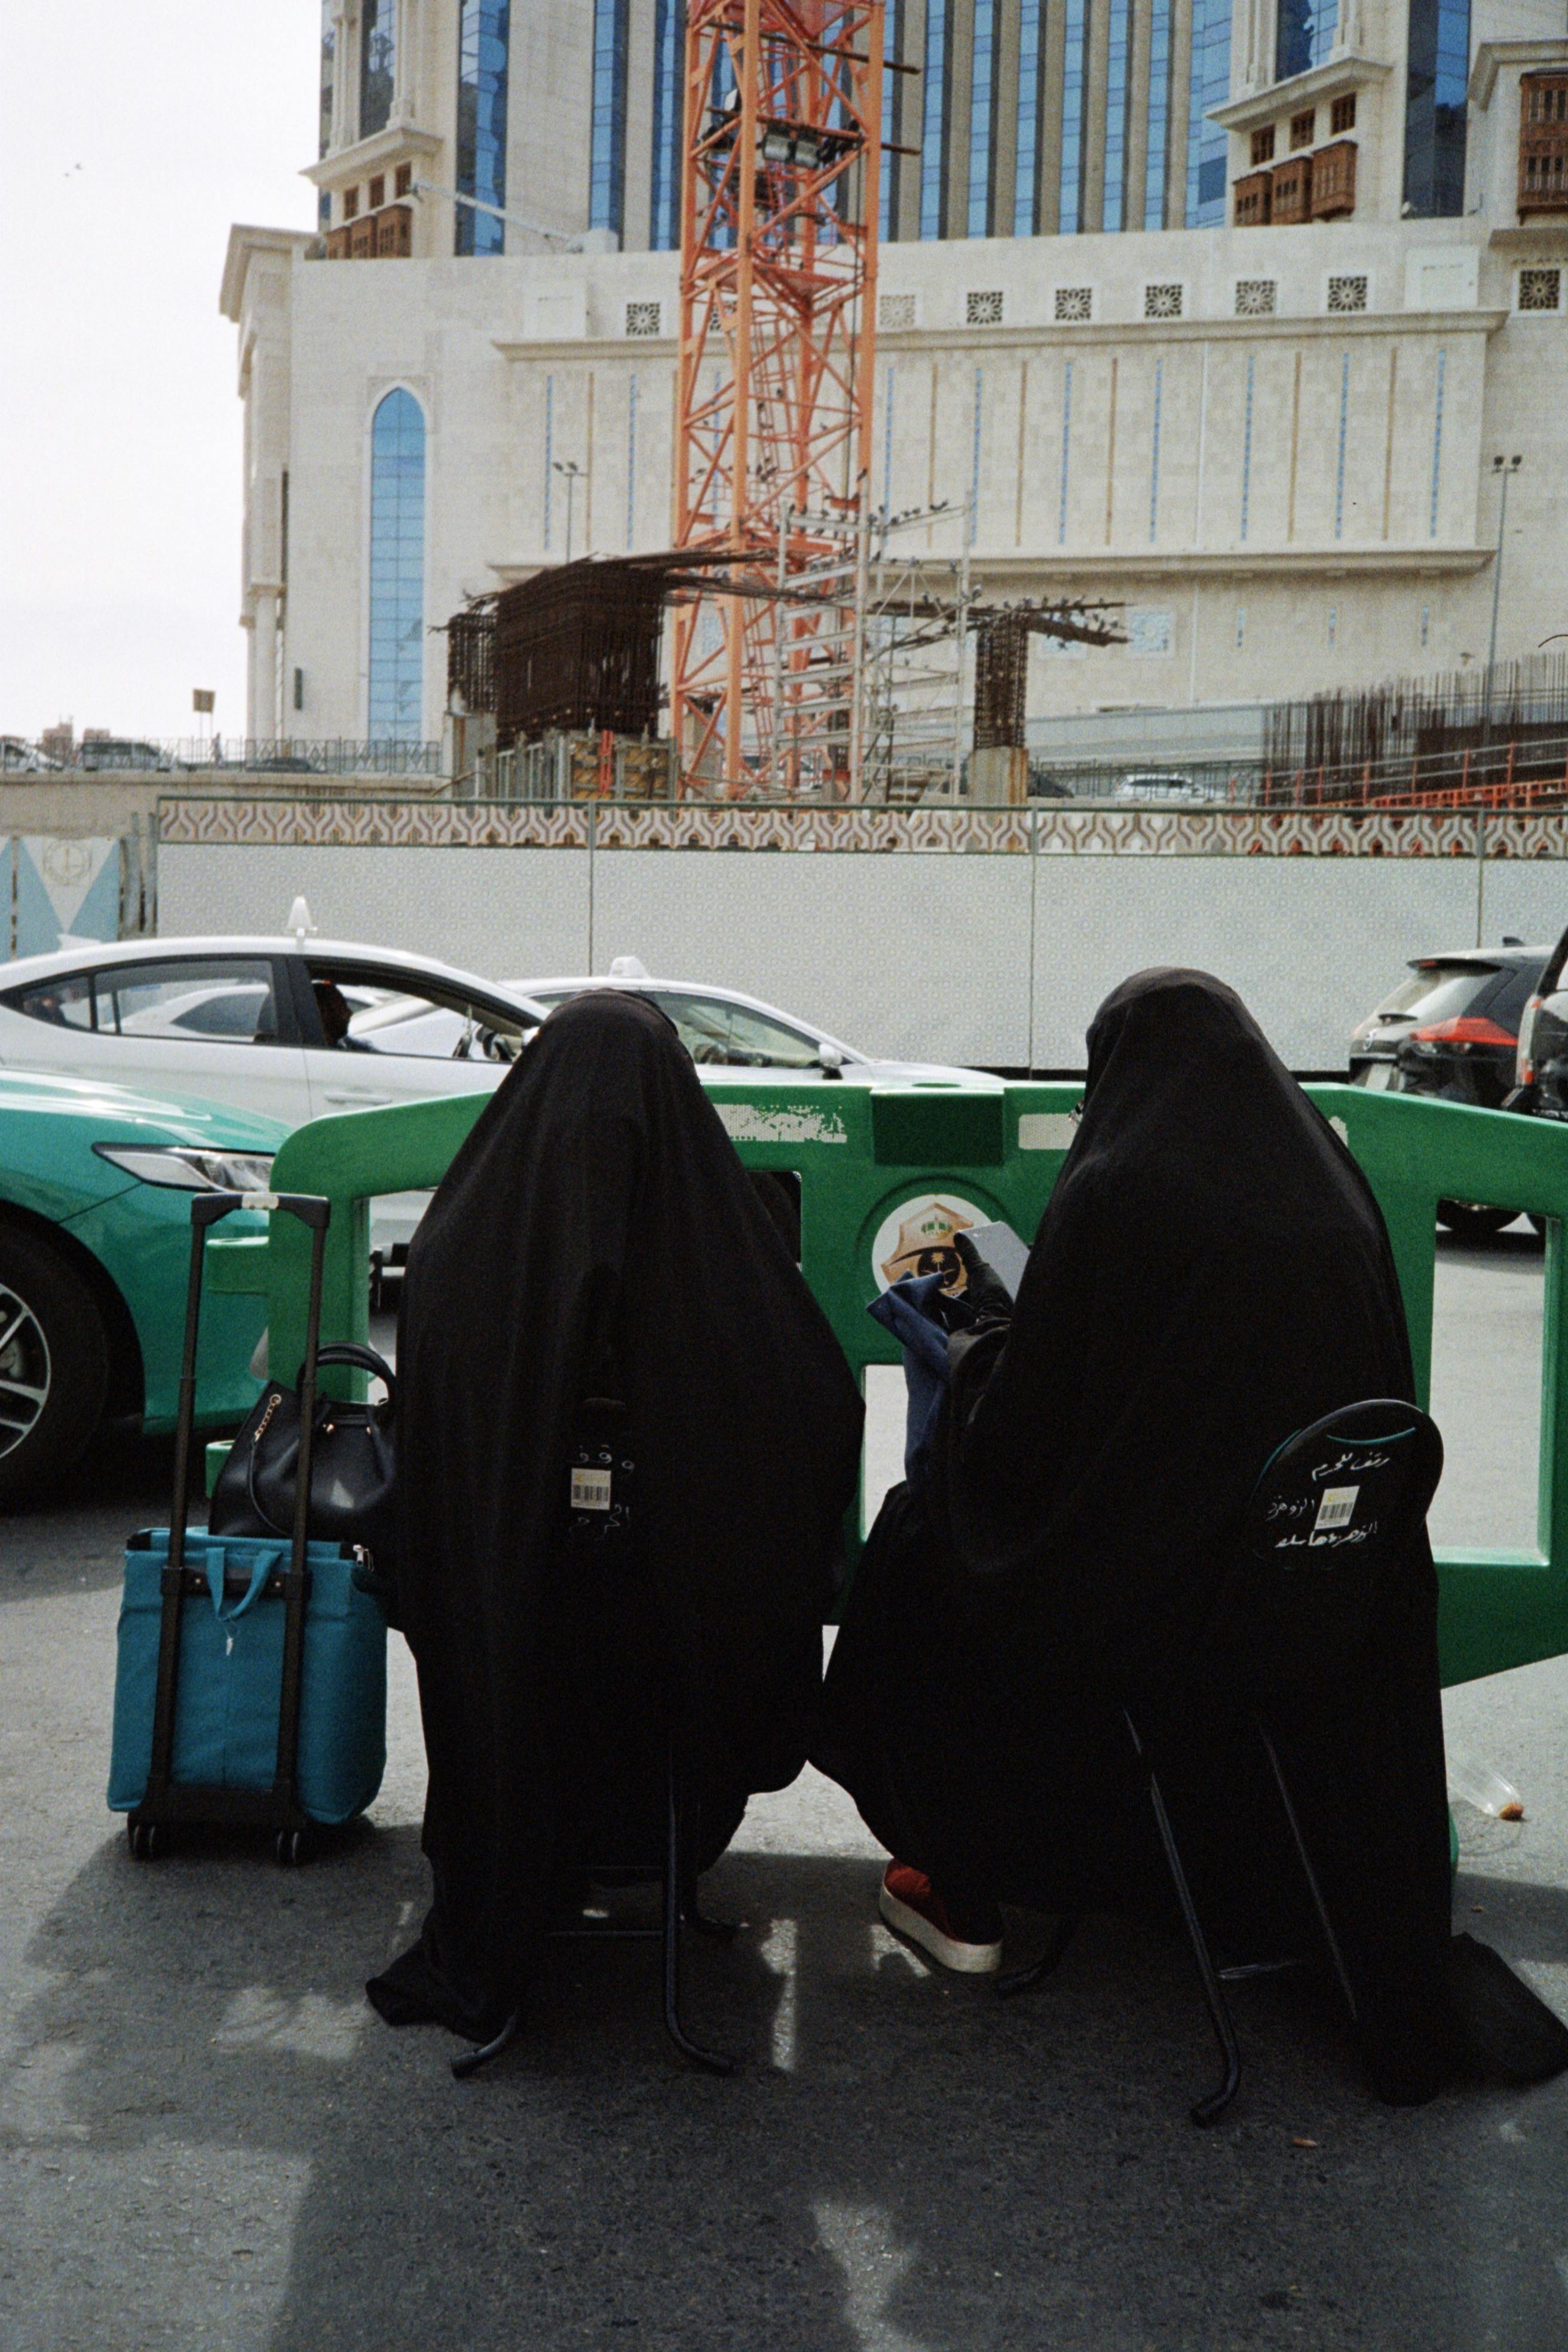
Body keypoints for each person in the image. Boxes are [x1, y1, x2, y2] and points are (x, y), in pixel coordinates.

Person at [816, 967, 1568, 2102]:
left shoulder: (1122, 1187)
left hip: (1166, 1614)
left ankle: (955, 1880)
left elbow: (1030, 1439)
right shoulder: (1332, 1180)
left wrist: (974, 1347)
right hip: (1319, 1605)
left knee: (926, 1539)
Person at [368, 990, 863, 2044]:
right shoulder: (720, 1241)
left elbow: (438, 1462)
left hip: (512, 1670)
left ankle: (527, 1865)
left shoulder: (468, 1243)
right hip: (675, 1676)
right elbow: (816, 1408)